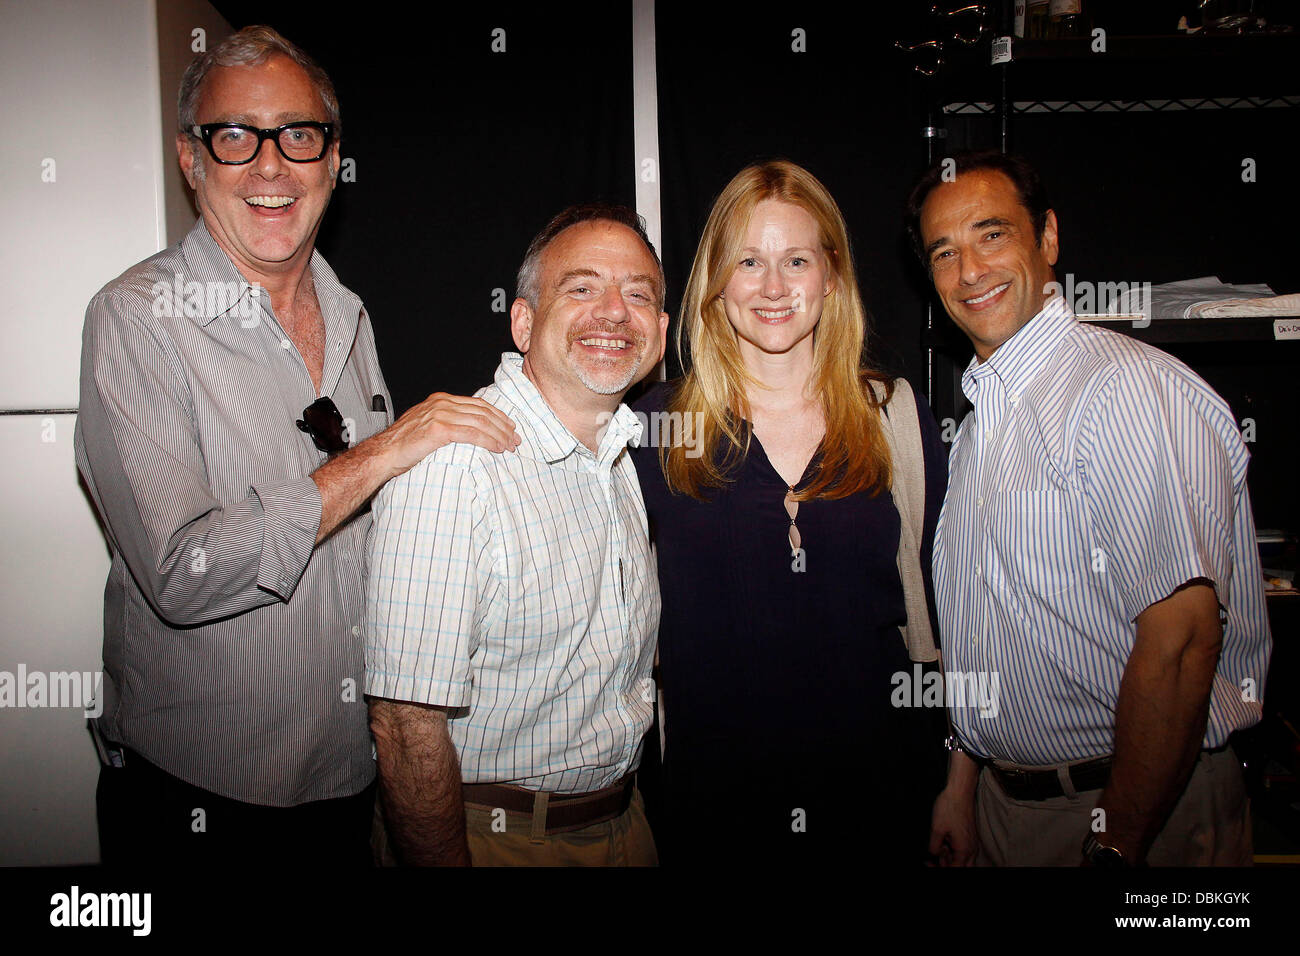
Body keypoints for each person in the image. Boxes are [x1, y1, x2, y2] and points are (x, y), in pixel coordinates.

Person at [74, 25, 518, 866]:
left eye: (298, 135)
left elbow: (373, 534)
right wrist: (382, 455)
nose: (271, 166)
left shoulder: (350, 312)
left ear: (331, 157)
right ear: (190, 158)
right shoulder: (135, 319)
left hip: (350, 783)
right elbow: (180, 571)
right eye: (235, 136)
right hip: (202, 802)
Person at [910, 150, 1272, 866]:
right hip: (1008, 809)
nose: (969, 271)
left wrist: (1115, 842)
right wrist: (963, 780)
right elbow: (987, 628)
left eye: (991, 234)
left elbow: (1179, 645)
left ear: (1047, 238)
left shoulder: (1124, 393)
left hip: (1141, 812)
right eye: (943, 252)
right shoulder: (982, 423)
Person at [630, 160, 949, 865]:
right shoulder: (655, 429)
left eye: (796, 259)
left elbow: (946, 616)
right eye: (748, 260)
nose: (773, 287)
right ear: (716, 279)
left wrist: (959, 778)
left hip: (882, 796)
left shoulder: (890, 414)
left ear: (830, 275)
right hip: (712, 807)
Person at [365, 204, 669, 866]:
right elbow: (405, 726)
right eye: (582, 288)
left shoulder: (618, 457)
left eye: (638, 294)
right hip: (492, 840)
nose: (615, 312)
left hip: (623, 823)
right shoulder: (456, 465)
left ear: (662, 330)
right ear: (524, 321)